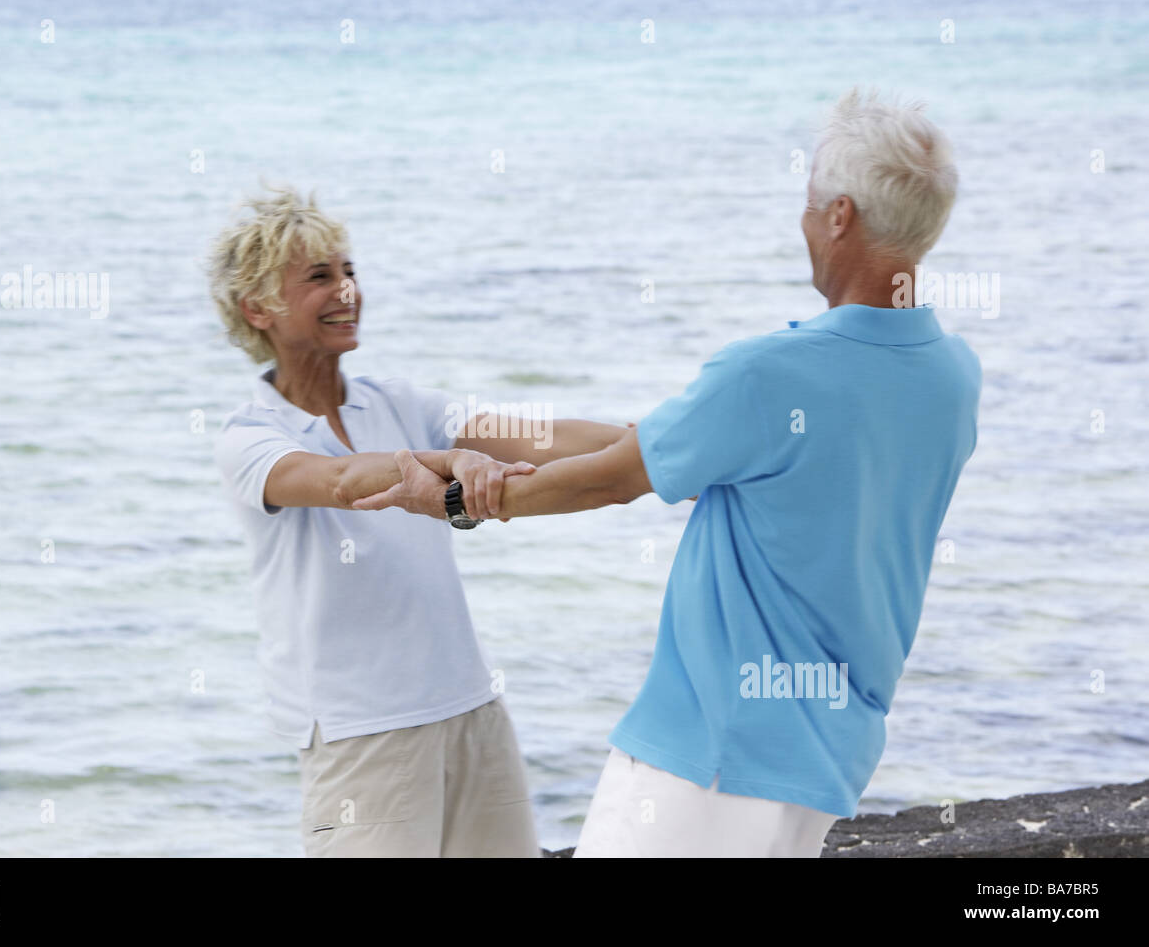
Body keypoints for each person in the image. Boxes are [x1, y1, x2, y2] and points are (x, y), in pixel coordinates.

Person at [353, 88, 982, 857]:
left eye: (812, 202)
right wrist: (477, 437)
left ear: (841, 216)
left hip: (714, 750)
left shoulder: (770, 375)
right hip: (830, 752)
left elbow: (611, 478)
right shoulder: (952, 375)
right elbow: (643, 445)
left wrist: (455, 499)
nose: (805, 220)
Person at [208, 187, 627, 857]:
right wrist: (450, 460)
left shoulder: (397, 402)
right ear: (257, 307)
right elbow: (341, 482)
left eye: (350, 272)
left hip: (471, 710)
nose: (346, 289)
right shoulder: (251, 437)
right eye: (320, 277)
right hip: (360, 734)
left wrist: (655, 442)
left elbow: (530, 433)